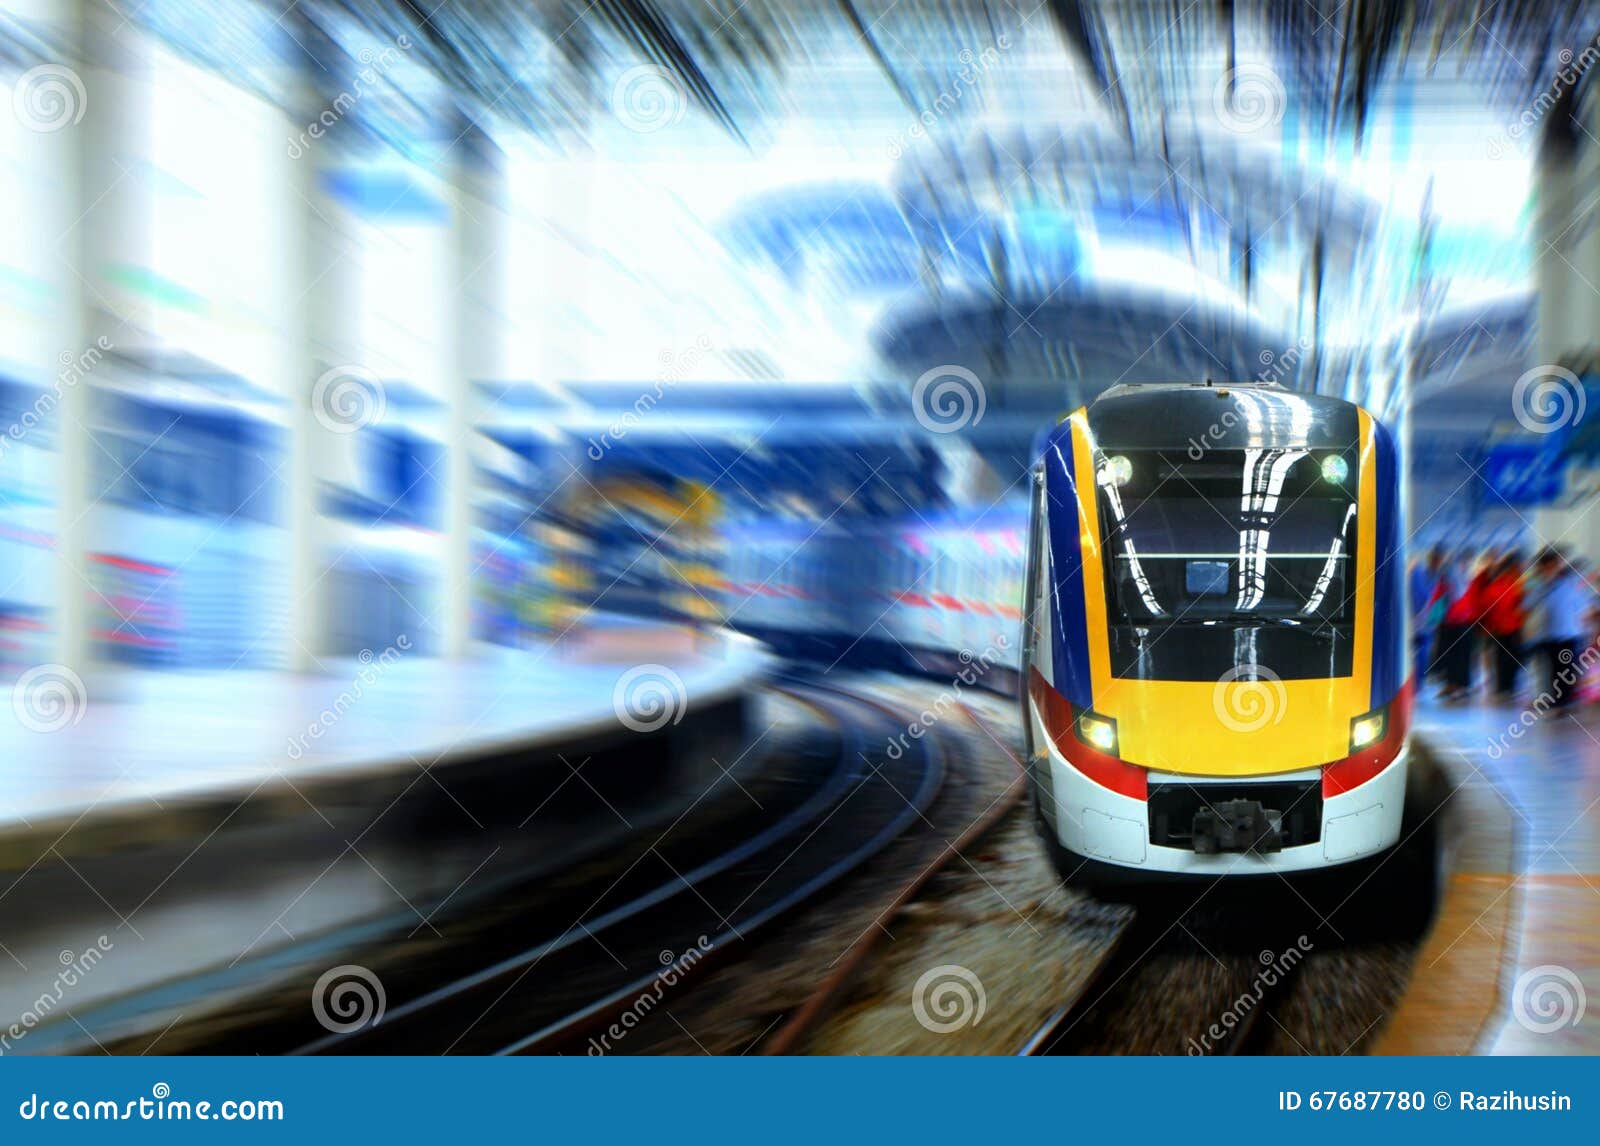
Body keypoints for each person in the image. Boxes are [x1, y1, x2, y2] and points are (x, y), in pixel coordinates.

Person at [1523, 548, 1595, 708]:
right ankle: (1556, 700)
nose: (1548, 570)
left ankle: (1565, 701)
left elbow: (1586, 607)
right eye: (1545, 567)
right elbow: (1527, 606)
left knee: (1566, 669)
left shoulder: (1570, 583)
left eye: (1552, 566)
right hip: (1548, 634)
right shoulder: (1539, 586)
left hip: (1569, 634)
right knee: (1552, 669)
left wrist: (1585, 627)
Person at [1436, 552, 1482, 700]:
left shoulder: (1471, 581)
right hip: (1448, 622)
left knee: (1463, 655)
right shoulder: (1446, 581)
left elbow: (1476, 601)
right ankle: (1451, 684)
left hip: (1465, 623)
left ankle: (1462, 685)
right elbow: (1438, 598)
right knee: (1450, 655)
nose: (1464, 566)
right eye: (1462, 563)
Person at [1481, 552, 1526, 699]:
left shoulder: (1515, 584)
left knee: (1507, 657)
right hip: (1505, 628)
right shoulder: (1510, 585)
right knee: (1506, 657)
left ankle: (1506, 686)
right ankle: (1506, 686)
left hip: (1508, 627)